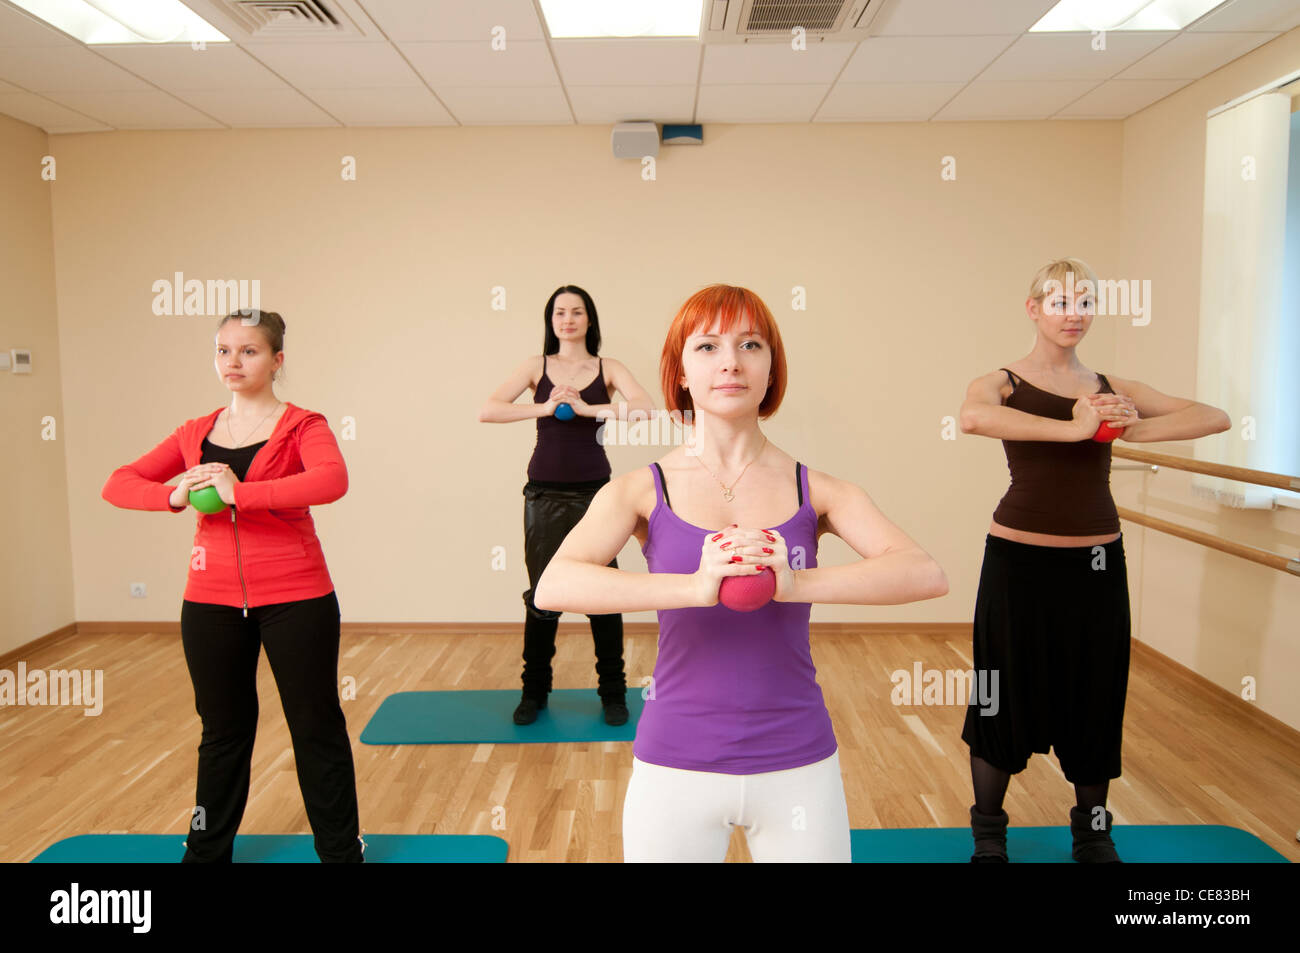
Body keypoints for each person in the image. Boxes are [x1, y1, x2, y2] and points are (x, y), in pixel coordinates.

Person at [533, 284, 948, 862]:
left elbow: (924, 573)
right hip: (674, 762)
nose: (730, 361)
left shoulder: (818, 488)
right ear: (680, 371)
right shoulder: (639, 489)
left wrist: (795, 583)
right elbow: (556, 584)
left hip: (798, 759)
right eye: (707, 347)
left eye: (749, 344)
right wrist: (695, 588)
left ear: (771, 366)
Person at [958, 258, 1231, 863]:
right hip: (1017, 563)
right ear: (1034, 309)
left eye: (1084, 302)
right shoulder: (1003, 381)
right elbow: (972, 417)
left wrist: (1128, 428)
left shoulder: (1111, 387)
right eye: (1058, 301)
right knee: (1001, 694)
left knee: (1096, 697)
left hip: (1096, 568)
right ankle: (988, 832)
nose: (1072, 313)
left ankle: (1093, 831)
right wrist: (1076, 430)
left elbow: (1214, 415)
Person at [101, 309, 364, 863]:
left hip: (297, 597)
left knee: (315, 726)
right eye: (224, 351)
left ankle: (342, 852)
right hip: (210, 601)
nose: (233, 362)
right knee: (222, 731)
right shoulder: (195, 432)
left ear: (276, 360)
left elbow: (331, 479)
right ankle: (204, 852)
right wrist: (174, 494)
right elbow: (117, 483)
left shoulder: (302, 425)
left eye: (248, 351)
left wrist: (238, 491)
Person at [478, 286, 654, 726]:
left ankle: (613, 693)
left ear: (589, 319)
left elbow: (645, 410)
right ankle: (533, 692)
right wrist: (544, 407)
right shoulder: (536, 367)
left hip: (596, 493)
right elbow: (490, 410)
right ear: (550, 319)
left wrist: (585, 407)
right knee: (542, 594)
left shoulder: (607, 367)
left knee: (603, 592)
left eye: (577, 311)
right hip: (543, 493)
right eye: (560, 312)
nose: (568, 319)